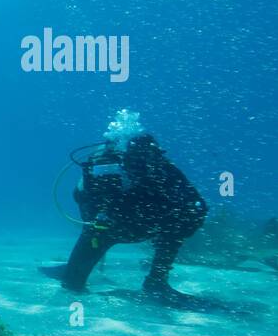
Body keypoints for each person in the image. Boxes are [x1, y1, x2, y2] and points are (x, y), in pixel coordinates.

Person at [42, 129, 207, 304]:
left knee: (181, 222)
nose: (143, 164)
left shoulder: (164, 169)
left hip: (140, 225)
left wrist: (182, 221)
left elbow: (196, 204)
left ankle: (156, 281)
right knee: (73, 282)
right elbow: (82, 198)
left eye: (148, 157)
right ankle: (73, 274)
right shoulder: (108, 168)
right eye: (138, 158)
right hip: (110, 228)